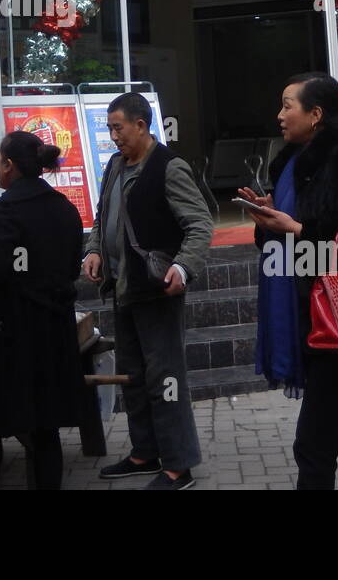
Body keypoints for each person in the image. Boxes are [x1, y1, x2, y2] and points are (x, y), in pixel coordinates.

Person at [240, 72, 338, 491]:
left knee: (313, 441)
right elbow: (282, 242)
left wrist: (294, 227)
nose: (279, 115)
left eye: (288, 105)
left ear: (315, 114)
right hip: (307, 309)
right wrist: (268, 219)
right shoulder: (294, 160)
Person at [82, 92, 214, 490]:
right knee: (134, 376)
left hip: (157, 292)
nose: (113, 136)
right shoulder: (115, 166)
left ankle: (178, 465)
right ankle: (144, 453)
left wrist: (183, 266)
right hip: (124, 289)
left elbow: (200, 224)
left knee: (166, 379)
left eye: (118, 128)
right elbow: (102, 217)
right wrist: (94, 250)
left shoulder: (169, 167)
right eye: (109, 129)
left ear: (141, 125)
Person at [0, 130, 85, 490]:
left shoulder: (5, 211)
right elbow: (70, 269)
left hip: (12, 335)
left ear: (8, 165)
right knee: (45, 427)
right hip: (54, 333)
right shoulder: (65, 208)